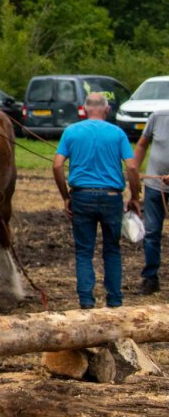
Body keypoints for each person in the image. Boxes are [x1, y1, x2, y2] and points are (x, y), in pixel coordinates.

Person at [53, 92, 140, 308]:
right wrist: (135, 197)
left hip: (81, 195)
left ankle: (86, 301)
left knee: (84, 251)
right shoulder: (117, 133)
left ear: (84, 109)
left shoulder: (71, 131)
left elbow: (56, 165)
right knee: (112, 249)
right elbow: (131, 166)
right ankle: (114, 300)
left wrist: (66, 196)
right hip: (112, 197)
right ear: (107, 109)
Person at [138, 106, 169, 296]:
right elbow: (142, 144)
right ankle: (150, 278)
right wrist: (133, 168)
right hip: (155, 187)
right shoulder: (157, 117)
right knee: (151, 233)